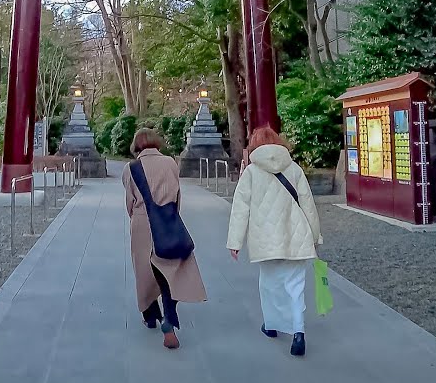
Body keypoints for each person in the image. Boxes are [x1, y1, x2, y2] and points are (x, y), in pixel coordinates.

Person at [226, 126, 323, 357]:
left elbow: (240, 209)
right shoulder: (294, 168)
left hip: (265, 238)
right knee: (295, 287)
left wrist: (235, 241)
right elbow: (308, 205)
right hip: (296, 236)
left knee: (270, 286)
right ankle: (298, 332)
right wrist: (315, 236)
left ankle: (271, 325)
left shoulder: (251, 172)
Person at [123, 128, 207, 350]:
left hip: (142, 223)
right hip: (168, 219)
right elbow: (177, 194)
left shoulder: (131, 168)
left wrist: (137, 216)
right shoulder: (170, 162)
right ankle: (169, 319)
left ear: (136, 145)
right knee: (170, 271)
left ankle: (151, 316)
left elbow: (130, 202)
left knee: (145, 273)